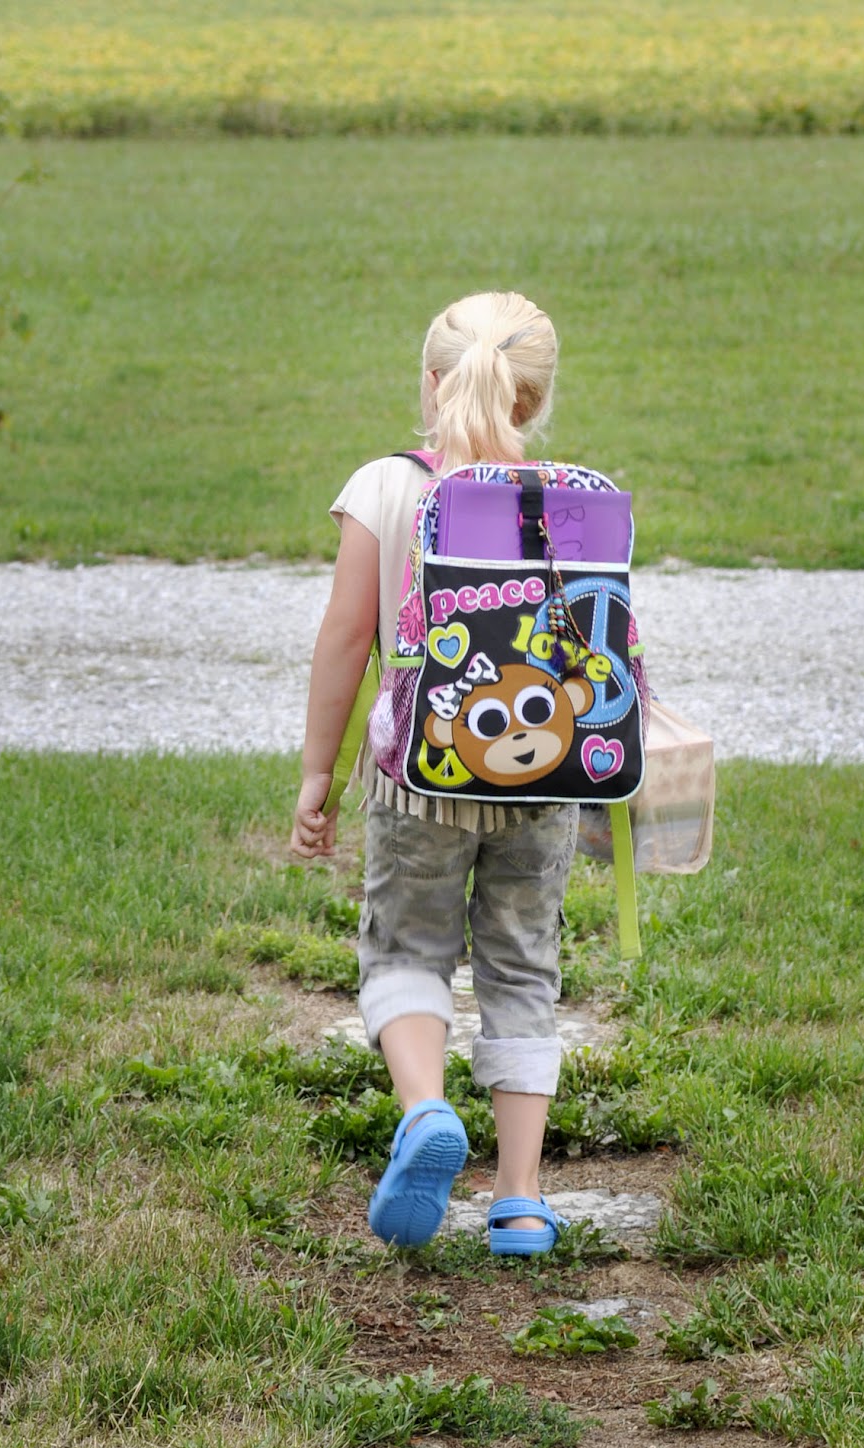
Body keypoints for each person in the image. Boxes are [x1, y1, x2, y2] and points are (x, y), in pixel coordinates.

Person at [291, 291, 573, 1256]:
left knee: (406, 951)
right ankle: (520, 1201)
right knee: (521, 967)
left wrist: (317, 778)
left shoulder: (384, 486)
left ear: (429, 380)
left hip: (417, 772)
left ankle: (424, 1112)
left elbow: (344, 641)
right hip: (540, 780)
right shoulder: (572, 498)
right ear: (535, 398)